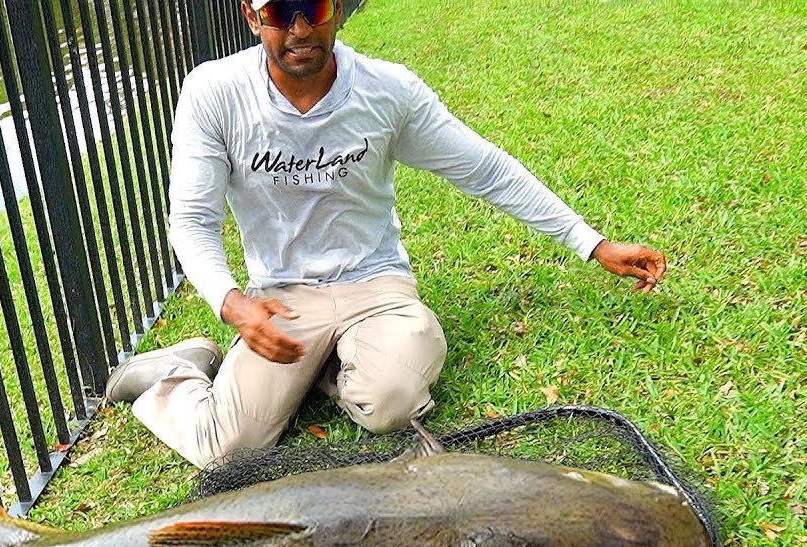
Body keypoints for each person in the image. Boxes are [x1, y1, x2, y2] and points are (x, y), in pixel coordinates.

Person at [106, 0, 667, 468]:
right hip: (283, 296)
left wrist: (591, 243)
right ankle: (176, 373)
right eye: (281, 12)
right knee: (227, 452)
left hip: (375, 283)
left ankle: (330, 361)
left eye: (315, 8)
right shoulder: (215, 92)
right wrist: (232, 304)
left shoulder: (387, 91)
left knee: (393, 404)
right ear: (253, 19)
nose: (300, 29)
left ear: (337, 11)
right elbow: (192, 220)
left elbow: (486, 170)